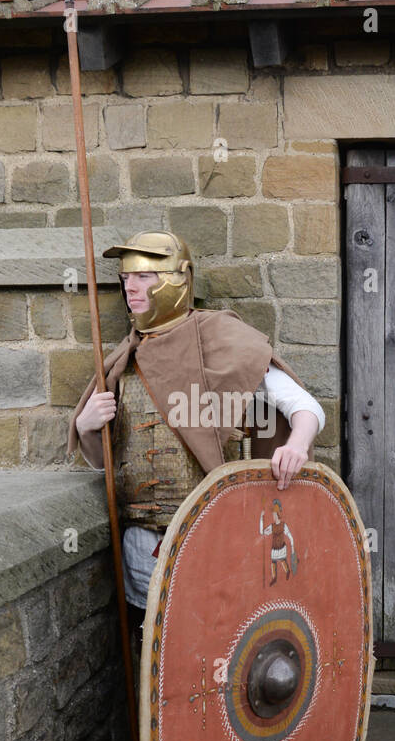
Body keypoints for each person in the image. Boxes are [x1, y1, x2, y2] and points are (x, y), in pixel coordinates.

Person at [67, 230, 326, 669]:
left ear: (179, 278)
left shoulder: (220, 339)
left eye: (146, 276)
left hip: (215, 540)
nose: (130, 287)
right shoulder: (122, 360)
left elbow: (303, 406)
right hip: (140, 544)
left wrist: (297, 444)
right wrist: (87, 426)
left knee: (221, 656)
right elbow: (106, 464)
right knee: (158, 665)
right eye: (126, 276)